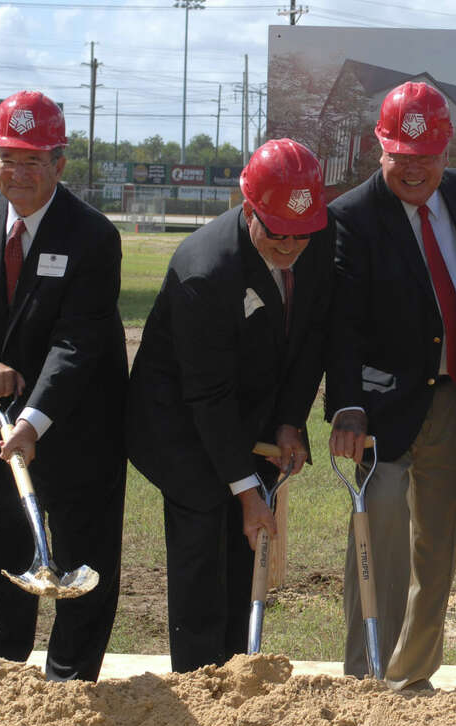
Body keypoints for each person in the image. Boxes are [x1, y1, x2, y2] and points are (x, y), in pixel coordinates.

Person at [0, 91, 128, 681]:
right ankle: (1, 686)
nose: (17, 174)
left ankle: (70, 693)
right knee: (4, 552)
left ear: (60, 165)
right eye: (6, 158)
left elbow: (79, 341)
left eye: (33, 161)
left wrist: (34, 420)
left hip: (77, 423)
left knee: (83, 561)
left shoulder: (93, 236)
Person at [126, 139, 341, 673]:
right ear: (249, 210)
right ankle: (200, 681)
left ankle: (238, 672)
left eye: (302, 234)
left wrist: (290, 420)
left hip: (250, 412)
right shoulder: (205, 271)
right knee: (205, 546)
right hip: (179, 423)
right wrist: (245, 489)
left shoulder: (314, 236)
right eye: (276, 233)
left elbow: (311, 337)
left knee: (244, 552)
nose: (291, 246)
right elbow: (207, 394)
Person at [326, 82, 456, 690]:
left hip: (455, 397)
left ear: (446, 152)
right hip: (381, 409)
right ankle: (367, 674)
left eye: (426, 156)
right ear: (379, 149)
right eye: (400, 155)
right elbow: (341, 328)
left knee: (437, 547)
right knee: (379, 541)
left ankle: (412, 677)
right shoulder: (352, 216)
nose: (414, 169)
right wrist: (348, 408)